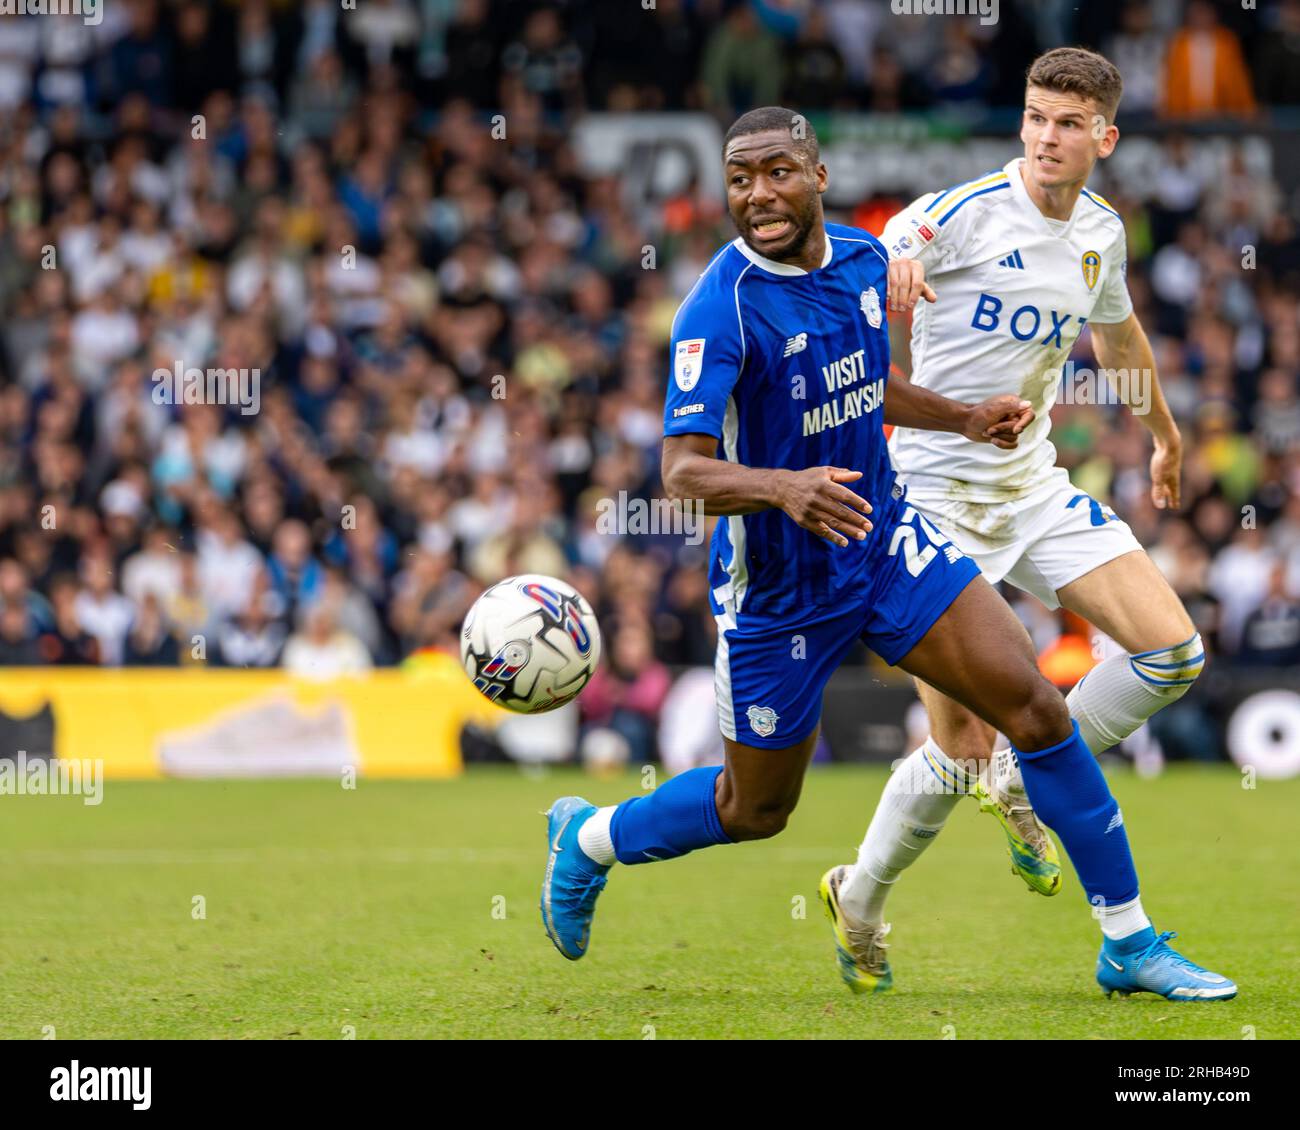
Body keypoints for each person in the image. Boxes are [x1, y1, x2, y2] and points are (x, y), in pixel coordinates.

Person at [538, 104, 1233, 1002]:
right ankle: (590, 838)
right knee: (755, 811)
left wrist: (963, 417)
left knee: (1034, 709)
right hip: (778, 594)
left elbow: (871, 384)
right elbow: (681, 473)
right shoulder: (719, 309)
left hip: (884, 540)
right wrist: (786, 488)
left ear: (818, 177)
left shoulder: (866, 263)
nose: (760, 194)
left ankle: (1128, 942)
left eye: (778, 171)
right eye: (740, 178)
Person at [841, 47, 1232, 1000]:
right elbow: (899, 239)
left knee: (1175, 654)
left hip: (1034, 488)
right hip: (932, 507)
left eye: (1067, 123)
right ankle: (859, 901)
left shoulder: (1100, 230)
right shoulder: (969, 212)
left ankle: (1029, 773)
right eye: (1034, 117)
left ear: (1105, 135)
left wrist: (1166, 438)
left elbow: (1119, 334)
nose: (1047, 138)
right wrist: (892, 262)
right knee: (955, 751)